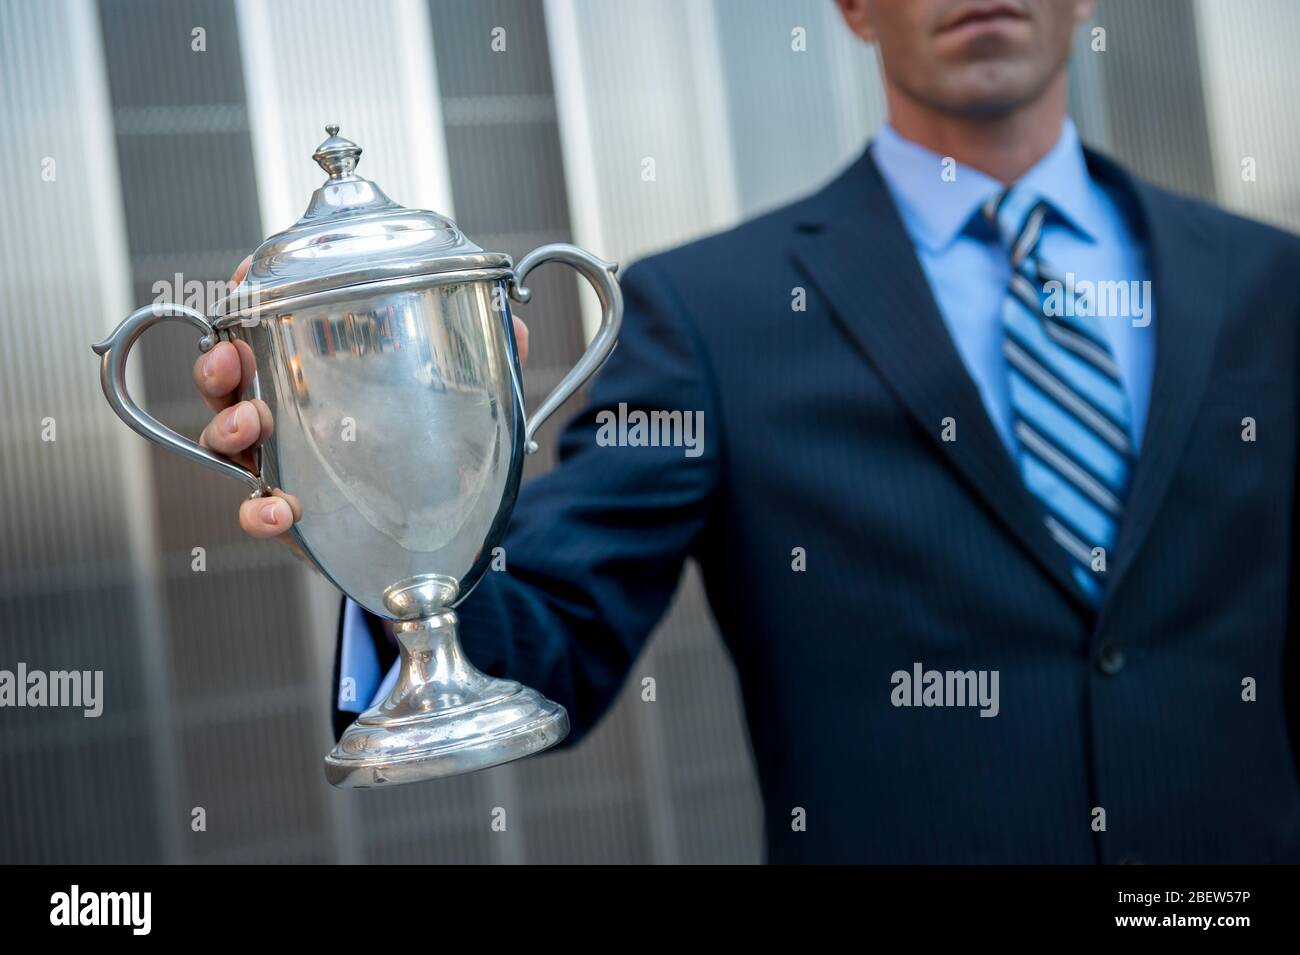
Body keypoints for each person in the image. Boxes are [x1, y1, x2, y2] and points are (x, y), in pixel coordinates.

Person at [190, 0, 1300, 862]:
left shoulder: (1265, 282)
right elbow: (550, 644)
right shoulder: (710, 312)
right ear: (854, 6)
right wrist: (374, 488)